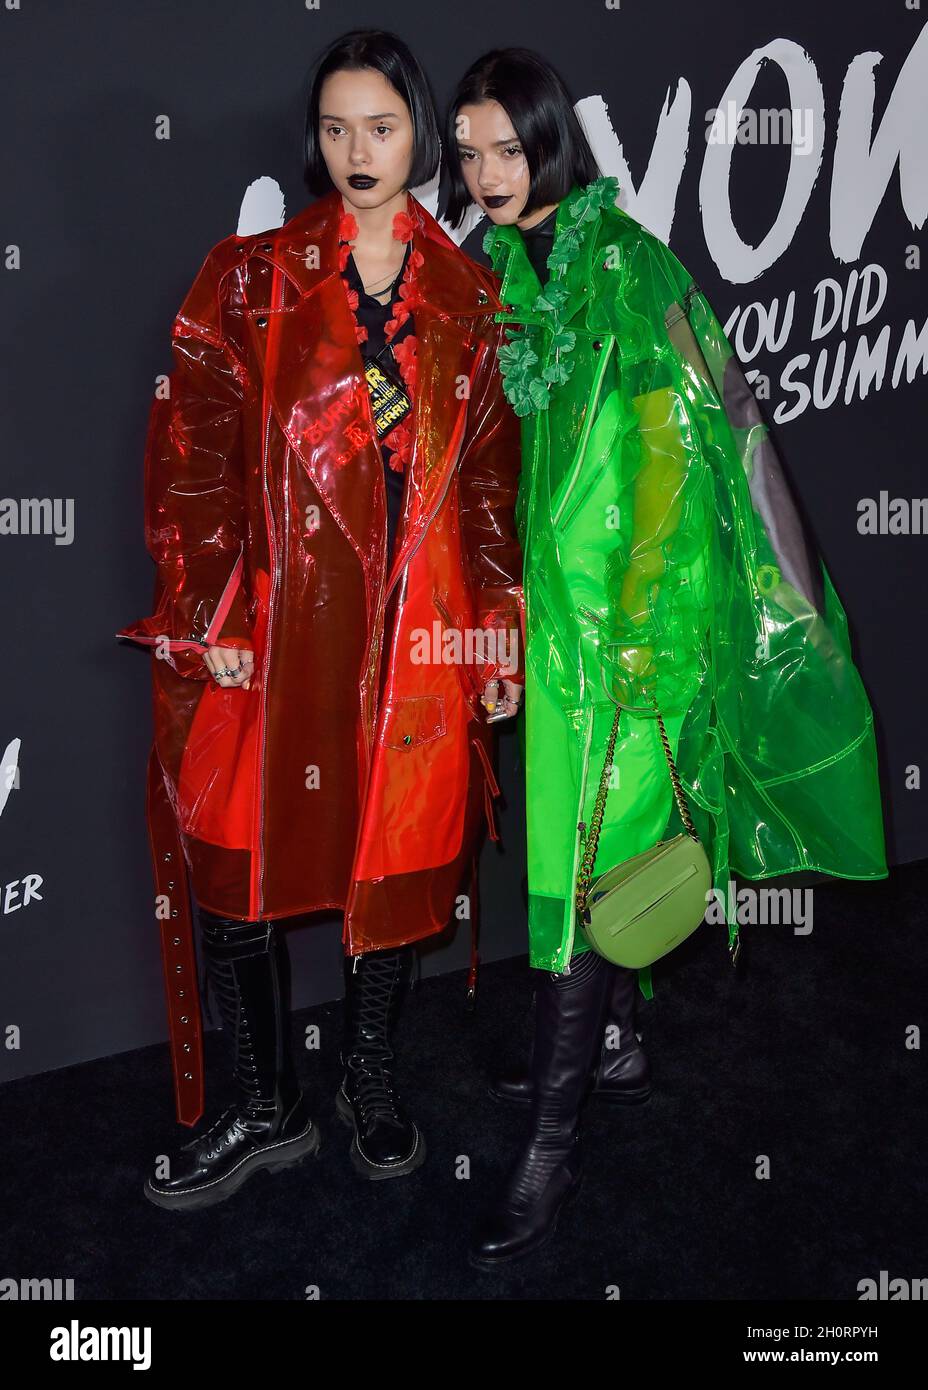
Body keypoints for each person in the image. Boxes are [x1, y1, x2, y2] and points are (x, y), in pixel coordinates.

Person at [442, 46, 888, 1265]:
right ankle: (617, 1045)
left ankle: (548, 1149)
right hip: (541, 631)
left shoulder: (625, 268)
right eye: (468, 151)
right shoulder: (491, 273)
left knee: (589, 864)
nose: (487, 171)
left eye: (507, 147)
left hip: (633, 636)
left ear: (551, 144)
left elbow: (679, 451)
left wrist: (637, 630)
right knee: (560, 846)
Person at [117, 29, 523, 1211]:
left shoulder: (467, 294)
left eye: (382, 127)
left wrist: (492, 624)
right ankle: (263, 1098)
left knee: (390, 864)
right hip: (280, 623)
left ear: (421, 136)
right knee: (234, 858)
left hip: (416, 633)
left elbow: (490, 482)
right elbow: (190, 455)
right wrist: (204, 606)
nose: (357, 151)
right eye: (337, 128)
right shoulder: (249, 276)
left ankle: (368, 1070)